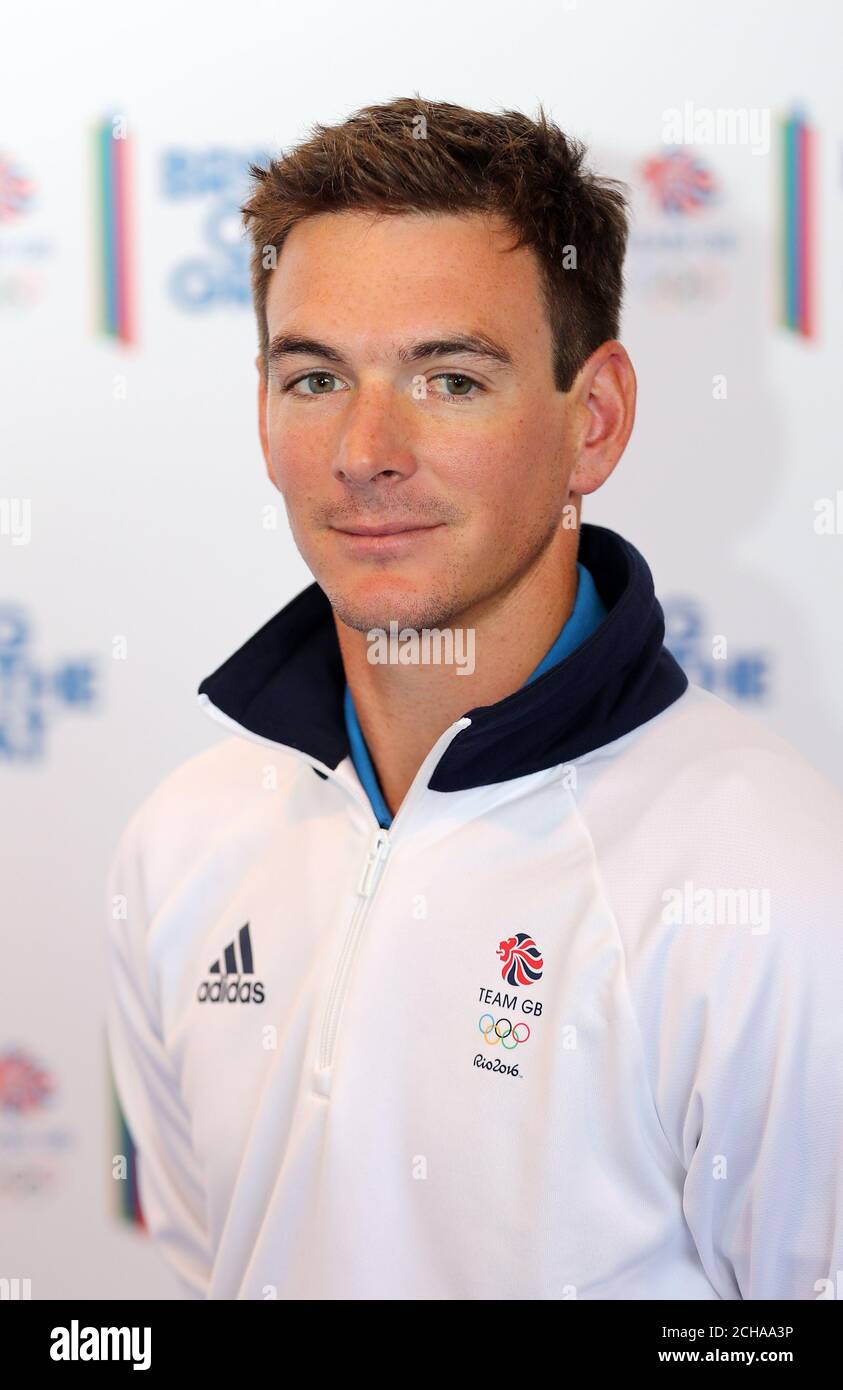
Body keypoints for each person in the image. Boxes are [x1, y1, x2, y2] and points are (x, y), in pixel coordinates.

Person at [105, 94, 843, 1301]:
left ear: (592, 422)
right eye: (313, 379)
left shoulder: (773, 884)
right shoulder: (180, 840)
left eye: (448, 378)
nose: (365, 449)